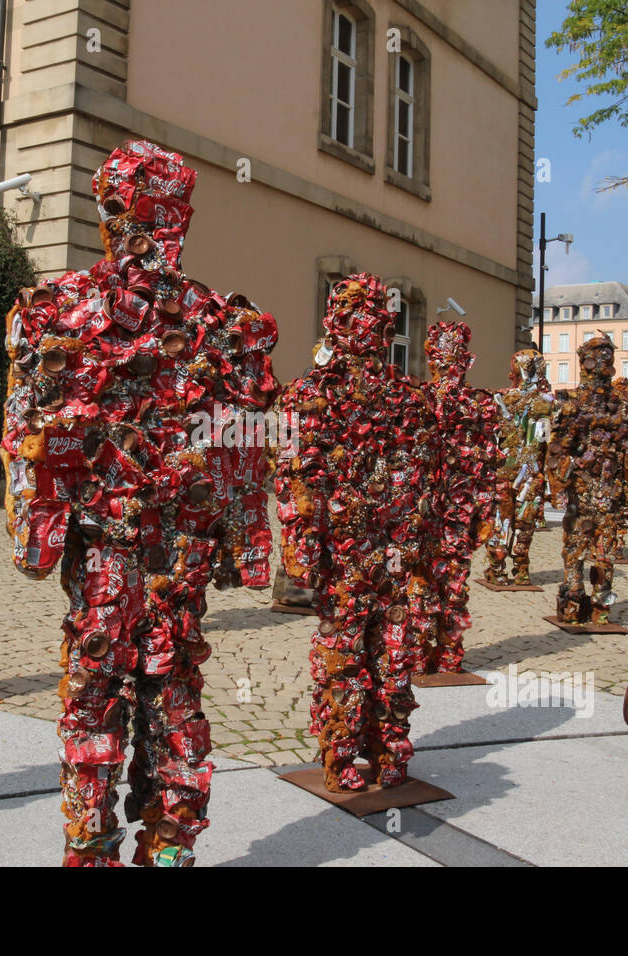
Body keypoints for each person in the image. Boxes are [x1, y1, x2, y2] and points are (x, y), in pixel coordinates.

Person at [1, 140, 278, 866]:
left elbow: (248, 446)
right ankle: (125, 848)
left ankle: (143, 849)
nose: (151, 225)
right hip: (113, 547)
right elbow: (27, 433)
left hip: (166, 551)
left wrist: (249, 544)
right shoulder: (61, 313)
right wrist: (38, 528)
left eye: (160, 207)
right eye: (142, 206)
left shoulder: (219, 326)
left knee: (153, 692)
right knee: (133, 691)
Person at [275, 274, 438, 791]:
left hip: (391, 548)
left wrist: (415, 535)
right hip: (344, 552)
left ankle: (389, 748)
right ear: (334, 321)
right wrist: (302, 546)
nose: (363, 328)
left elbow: (422, 466)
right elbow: (296, 472)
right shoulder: (309, 394)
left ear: (386, 326)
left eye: (372, 317)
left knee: (393, 648)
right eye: (352, 316)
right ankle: (341, 750)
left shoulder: (408, 398)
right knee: (343, 651)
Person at [546, 336, 628, 624]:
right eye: (598, 359)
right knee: (580, 548)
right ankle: (578, 600)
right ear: (585, 362)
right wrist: (560, 487)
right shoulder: (571, 402)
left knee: (601, 552)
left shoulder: (621, 406)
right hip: (583, 490)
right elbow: (557, 449)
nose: (603, 366)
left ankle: (598, 605)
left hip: (607, 490)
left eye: (607, 359)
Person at [417, 321, 500, 674]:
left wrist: (487, 509)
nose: (449, 364)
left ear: (465, 359)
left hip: (458, 511)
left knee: (451, 584)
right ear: (432, 359)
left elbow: (491, 462)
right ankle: (423, 653)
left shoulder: (481, 406)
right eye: (443, 355)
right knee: (421, 584)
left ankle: (447, 654)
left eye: (454, 355)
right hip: (424, 512)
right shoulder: (417, 400)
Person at [484, 350, 554, 587]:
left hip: (504, 472)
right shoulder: (545, 404)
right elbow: (545, 441)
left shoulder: (500, 399)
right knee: (525, 522)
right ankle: (521, 570)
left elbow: (490, 439)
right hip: (531, 472)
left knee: (501, 521)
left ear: (516, 371)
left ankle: (497, 569)